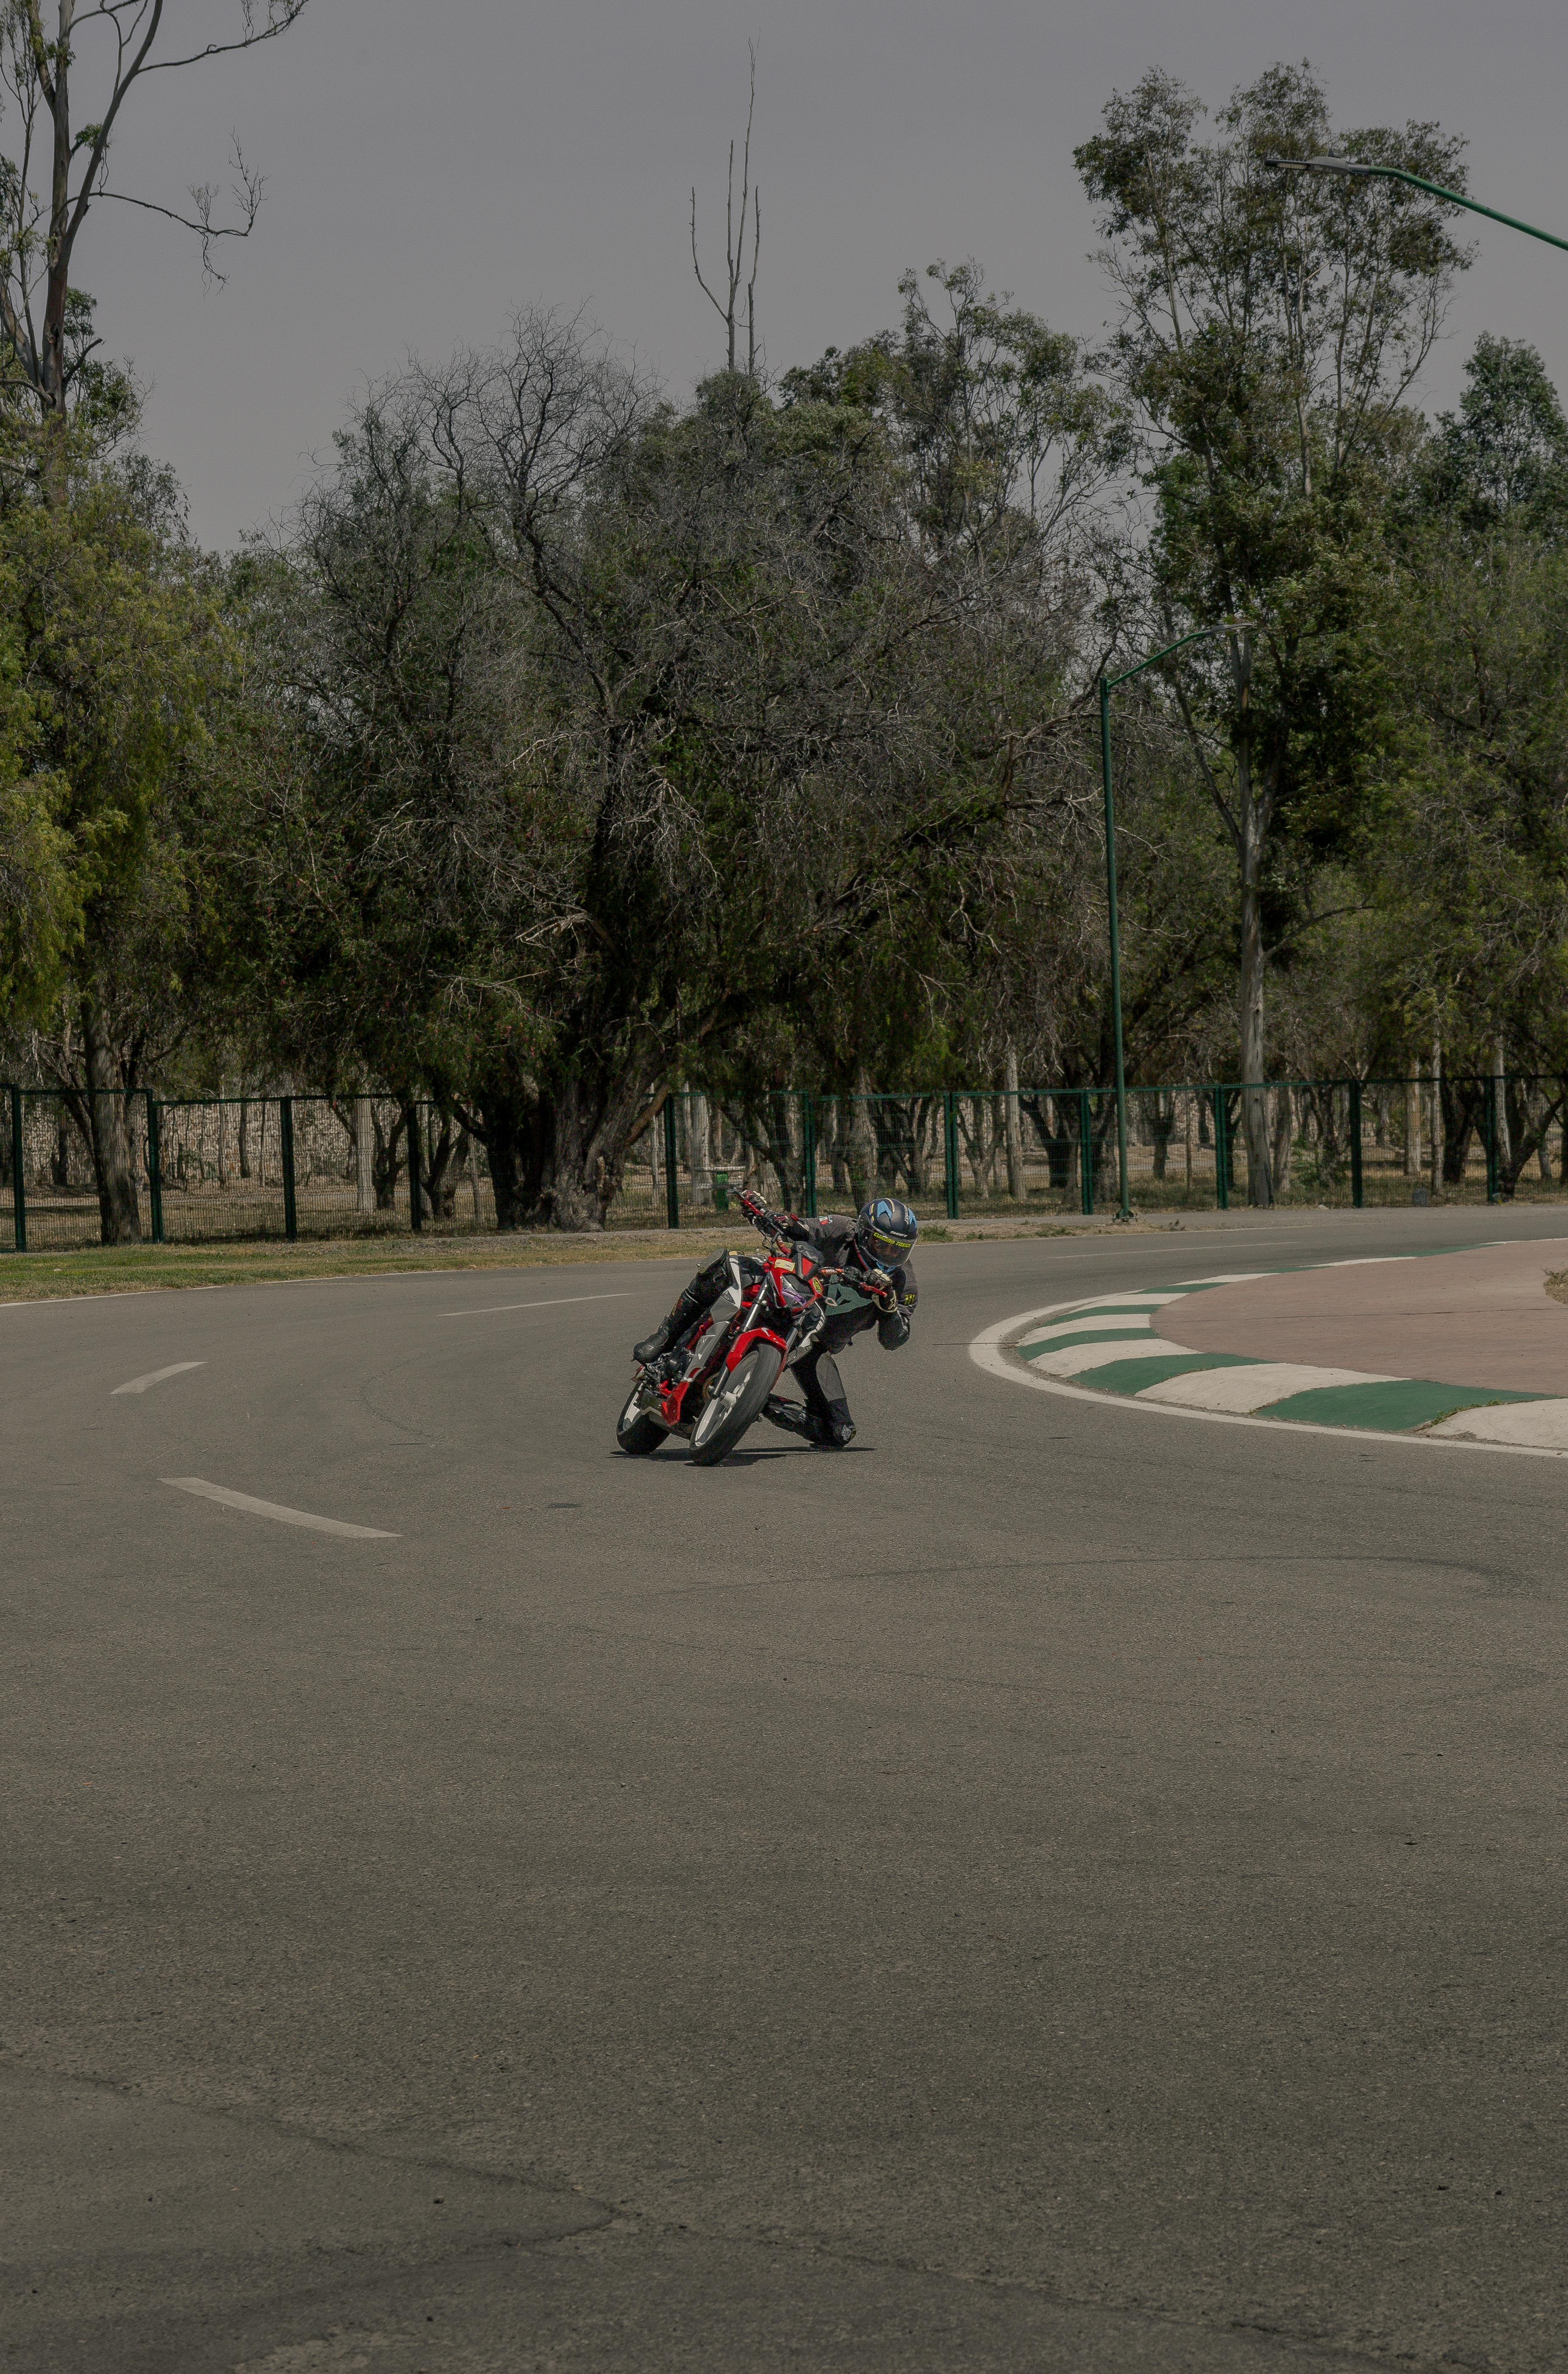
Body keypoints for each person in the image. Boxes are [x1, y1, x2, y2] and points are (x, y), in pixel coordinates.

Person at [631, 1192, 919, 1448]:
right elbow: (801, 1227)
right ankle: (665, 1336)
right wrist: (767, 1215)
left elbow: (894, 1340)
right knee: (728, 1265)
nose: (890, 1254)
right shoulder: (843, 1229)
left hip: (813, 1343)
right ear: (864, 1233)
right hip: (787, 1294)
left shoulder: (902, 1282)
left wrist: (890, 1306)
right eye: (882, 1245)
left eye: (898, 1249)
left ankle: (756, 1401)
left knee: (840, 1432)